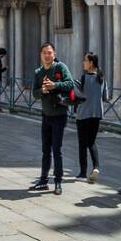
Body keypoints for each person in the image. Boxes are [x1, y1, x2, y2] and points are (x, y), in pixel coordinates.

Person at [29, 42, 74, 196]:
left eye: (49, 52)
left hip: (59, 115)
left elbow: (70, 84)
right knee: (45, 150)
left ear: (54, 54)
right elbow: (34, 93)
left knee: (57, 149)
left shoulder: (60, 67)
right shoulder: (38, 72)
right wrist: (42, 90)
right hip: (45, 115)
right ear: (41, 55)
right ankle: (43, 180)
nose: (47, 55)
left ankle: (58, 182)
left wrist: (54, 85)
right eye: (44, 53)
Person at [74, 52, 108, 183]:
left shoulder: (83, 78)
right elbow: (105, 97)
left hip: (83, 114)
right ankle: (96, 167)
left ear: (91, 63)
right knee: (91, 142)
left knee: (82, 144)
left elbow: (77, 96)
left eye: (85, 60)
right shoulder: (101, 77)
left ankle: (82, 173)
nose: (83, 62)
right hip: (96, 114)